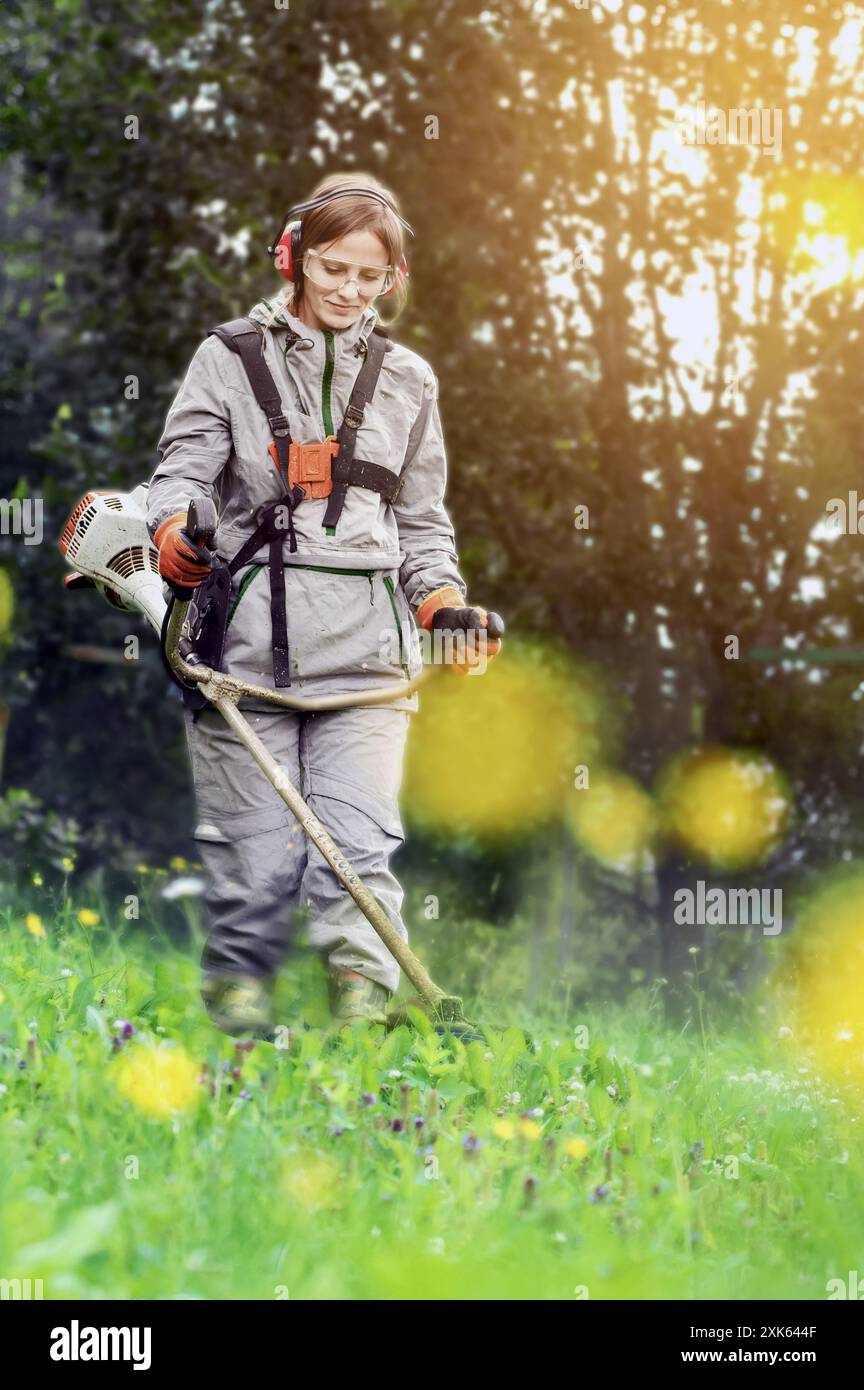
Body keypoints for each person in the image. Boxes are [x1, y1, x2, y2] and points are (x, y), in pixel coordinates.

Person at [146, 172, 501, 1038]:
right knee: (255, 861)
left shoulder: (410, 381)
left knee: (358, 853)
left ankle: (361, 1024)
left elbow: (421, 523)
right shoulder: (227, 358)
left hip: (368, 662)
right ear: (295, 258)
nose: (348, 289)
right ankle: (238, 1022)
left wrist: (444, 605)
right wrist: (171, 534)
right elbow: (181, 476)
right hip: (243, 655)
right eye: (332, 268)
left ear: (393, 280)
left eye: (369, 277)